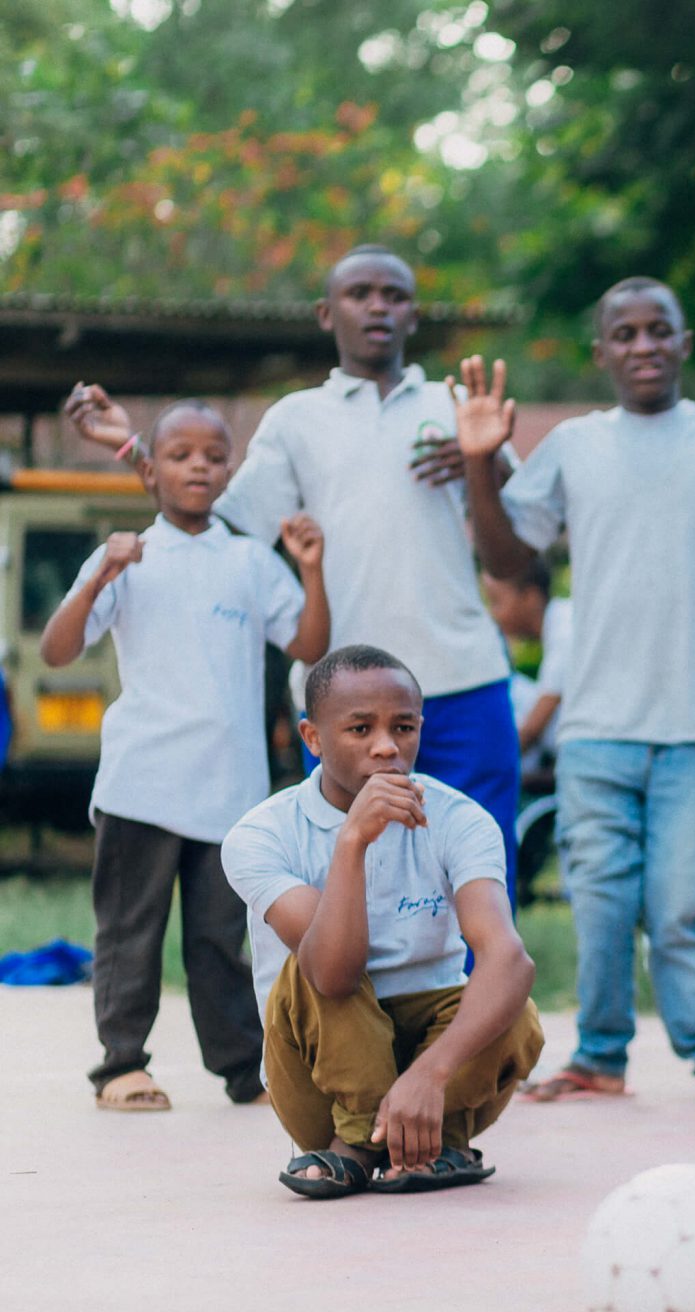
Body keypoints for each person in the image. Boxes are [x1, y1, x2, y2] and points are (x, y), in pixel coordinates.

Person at [453, 277, 695, 1102]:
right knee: (599, 905)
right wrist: (481, 459)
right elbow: (509, 556)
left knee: (676, 907)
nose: (643, 346)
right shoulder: (577, 445)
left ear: (684, 342)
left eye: (657, 329)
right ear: (601, 355)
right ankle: (599, 1054)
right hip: (597, 724)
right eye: (623, 335)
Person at [64, 245, 524, 884]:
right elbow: (214, 519)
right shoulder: (296, 419)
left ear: (413, 315)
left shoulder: (456, 408)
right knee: (351, 877)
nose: (377, 306)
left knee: (479, 870)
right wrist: (132, 445)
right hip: (346, 697)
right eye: (359, 293)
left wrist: (482, 461)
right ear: (325, 313)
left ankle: (474, 992)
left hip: (464, 678)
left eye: (393, 295)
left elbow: (514, 559)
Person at [40, 401, 330, 1113]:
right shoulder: (129, 554)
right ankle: (120, 1066)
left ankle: (241, 1068)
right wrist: (99, 575)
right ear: (153, 470)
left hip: (230, 789)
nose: (198, 466)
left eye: (212, 455)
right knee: (130, 931)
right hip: (142, 781)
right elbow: (56, 649)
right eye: (180, 455)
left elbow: (310, 646)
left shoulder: (250, 562)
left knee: (219, 938)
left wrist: (313, 569)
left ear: (228, 470)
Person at [221, 646, 543, 1197]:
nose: (387, 746)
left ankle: (418, 1141)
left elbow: (507, 957)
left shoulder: (460, 819)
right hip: (320, 1068)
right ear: (312, 738)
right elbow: (332, 974)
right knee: (308, 970)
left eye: (404, 726)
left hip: (435, 1066)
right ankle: (370, 1142)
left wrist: (430, 1074)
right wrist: (352, 842)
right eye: (360, 729)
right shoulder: (262, 835)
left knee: (511, 999)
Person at [482, 558, 572, 791]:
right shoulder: (561, 624)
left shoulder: (566, 627)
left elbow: (534, 727)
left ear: (530, 597)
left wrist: (486, 768)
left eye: (497, 602)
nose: (493, 615)